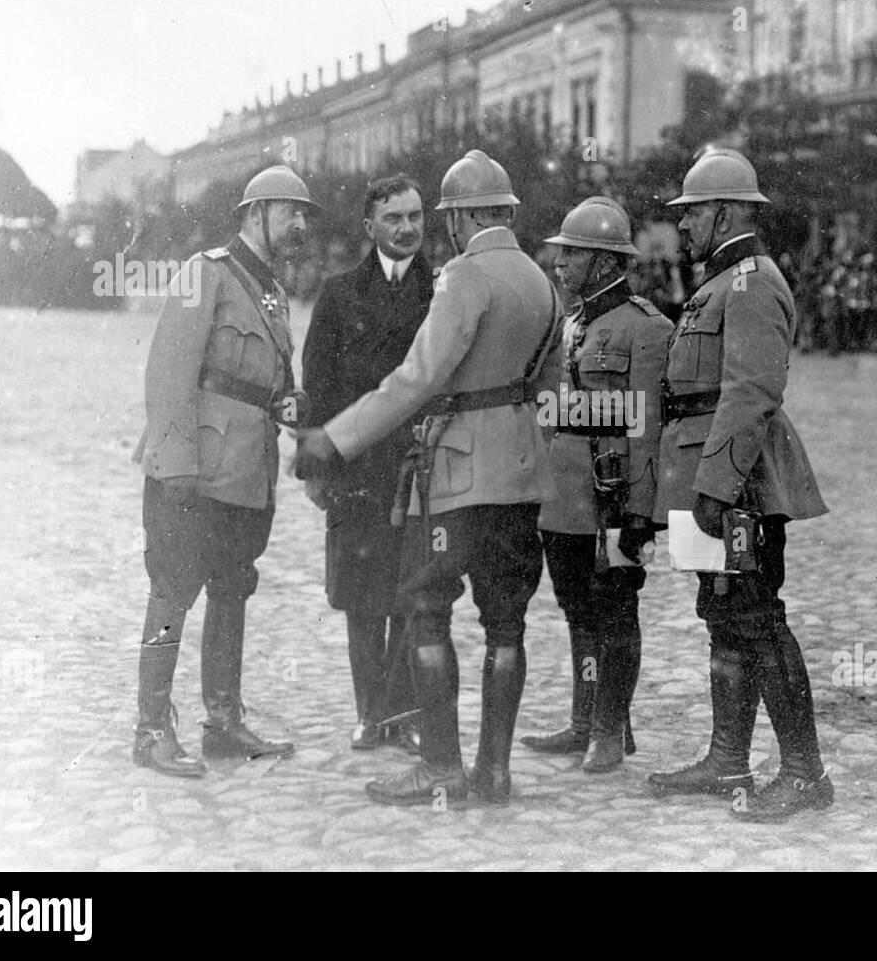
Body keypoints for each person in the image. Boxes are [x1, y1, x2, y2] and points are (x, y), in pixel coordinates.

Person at [295, 150, 563, 807]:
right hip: (521, 477)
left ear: (464, 216)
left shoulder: (461, 280)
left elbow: (416, 378)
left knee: (426, 608)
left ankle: (441, 768)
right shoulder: (542, 282)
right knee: (506, 624)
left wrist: (335, 438)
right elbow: (552, 389)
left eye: (445, 218)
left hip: (458, 475)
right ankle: (494, 775)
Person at [647, 148, 833, 823]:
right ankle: (728, 758)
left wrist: (717, 486)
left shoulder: (752, 282)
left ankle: (806, 774)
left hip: (739, 486)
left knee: (757, 619)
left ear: (723, 210)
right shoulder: (723, 283)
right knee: (721, 613)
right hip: (712, 479)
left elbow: (752, 392)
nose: (684, 225)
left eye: (691, 212)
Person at [131, 164, 314, 776]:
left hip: (248, 472)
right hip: (198, 469)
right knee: (172, 590)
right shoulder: (203, 273)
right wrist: (176, 467)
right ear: (255, 213)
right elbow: (168, 377)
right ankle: (152, 729)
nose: (302, 223)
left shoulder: (272, 293)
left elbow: (264, 383)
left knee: (233, 590)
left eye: (305, 213)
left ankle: (224, 722)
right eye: (292, 211)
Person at [520, 197, 671, 772]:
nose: (559, 264)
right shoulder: (571, 323)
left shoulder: (646, 328)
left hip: (612, 501)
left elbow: (647, 424)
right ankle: (585, 720)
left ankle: (611, 730)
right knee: (575, 609)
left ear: (606, 262)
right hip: (561, 500)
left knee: (615, 611)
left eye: (572, 255)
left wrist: (639, 514)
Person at [299, 175, 434, 754]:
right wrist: (317, 467)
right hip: (356, 472)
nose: (406, 229)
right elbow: (316, 386)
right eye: (393, 219)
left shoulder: (442, 291)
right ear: (368, 228)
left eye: (414, 216)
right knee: (361, 599)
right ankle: (367, 714)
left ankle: (400, 714)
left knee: (412, 594)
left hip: (416, 467)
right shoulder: (338, 294)